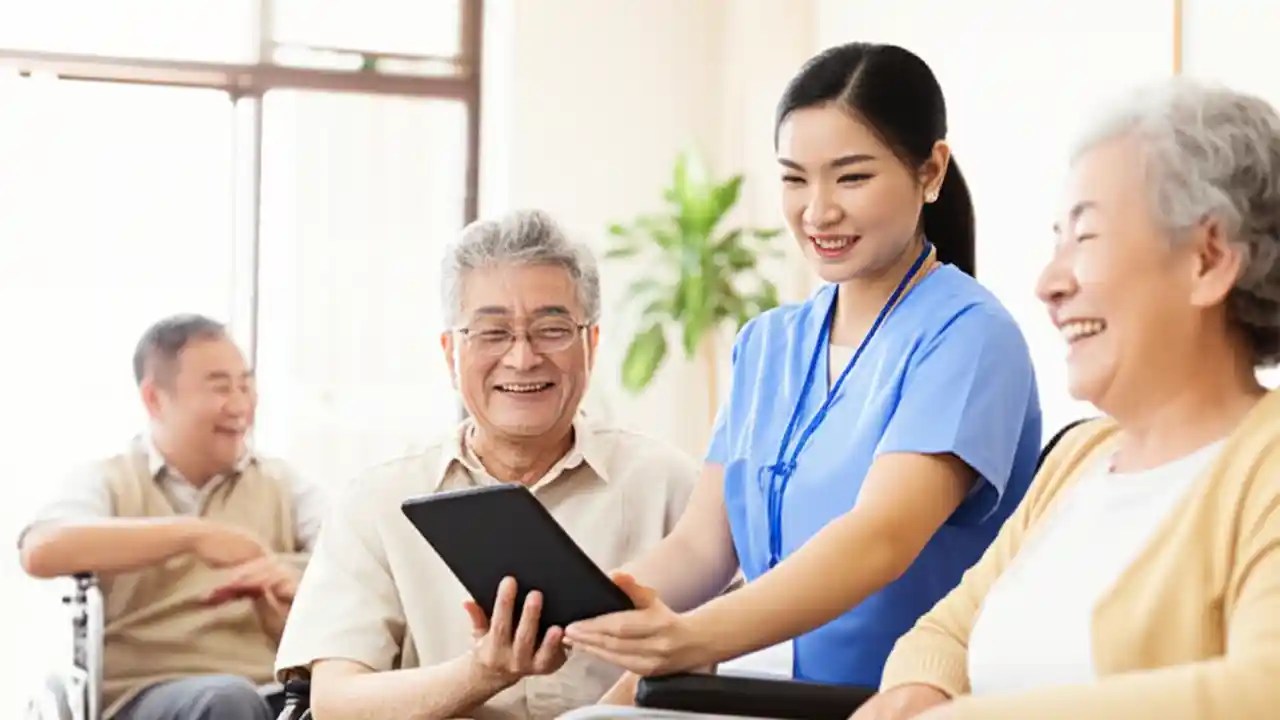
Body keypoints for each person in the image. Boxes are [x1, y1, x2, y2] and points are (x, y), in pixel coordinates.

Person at [563, 41, 1042, 700]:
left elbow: (881, 539)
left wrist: (696, 638)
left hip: (899, 702)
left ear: (930, 172)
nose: (818, 211)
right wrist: (579, 610)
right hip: (766, 695)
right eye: (794, 178)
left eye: (851, 177)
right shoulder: (768, 343)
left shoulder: (971, 336)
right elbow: (703, 548)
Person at [852, 78, 1280, 720]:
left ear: (1208, 260)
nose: (1049, 283)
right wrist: (918, 696)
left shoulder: (1264, 466)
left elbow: (1260, 693)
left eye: (1085, 237)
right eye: (1057, 240)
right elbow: (940, 637)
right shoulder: (1079, 457)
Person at [273, 209, 698, 720]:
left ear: (592, 342)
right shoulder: (377, 501)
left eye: (552, 329)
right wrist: (483, 673)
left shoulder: (669, 486)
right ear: (450, 351)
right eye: (493, 333)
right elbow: (337, 704)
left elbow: (709, 661)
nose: (522, 358)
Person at [19, 314, 323, 720]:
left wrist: (287, 574)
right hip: (145, 698)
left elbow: (357, 561)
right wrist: (194, 536)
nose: (239, 405)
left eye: (245, 385)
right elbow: (42, 550)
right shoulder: (110, 481)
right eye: (219, 387)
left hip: (273, 693)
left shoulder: (284, 485)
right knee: (229, 700)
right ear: (154, 399)